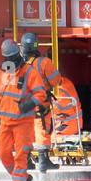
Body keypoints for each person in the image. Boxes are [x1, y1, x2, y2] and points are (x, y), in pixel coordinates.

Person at [0, 38, 49, 181]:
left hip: (23, 122)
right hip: (5, 122)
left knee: (21, 156)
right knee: (2, 153)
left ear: (18, 55)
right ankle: (23, 178)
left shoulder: (30, 72)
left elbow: (41, 94)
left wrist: (29, 104)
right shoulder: (2, 73)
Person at [19, 31, 61, 172]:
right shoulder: (44, 63)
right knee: (42, 130)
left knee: (25, 133)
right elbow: (56, 81)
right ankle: (43, 161)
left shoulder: (18, 65)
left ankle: (26, 161)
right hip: (41, 105)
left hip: (23, 106)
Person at [49, 74, 84, 151]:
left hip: (69, 124)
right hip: (72, 122)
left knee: (48, 139)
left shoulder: (60, 90)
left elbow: (56, 108)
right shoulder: (66, 83)